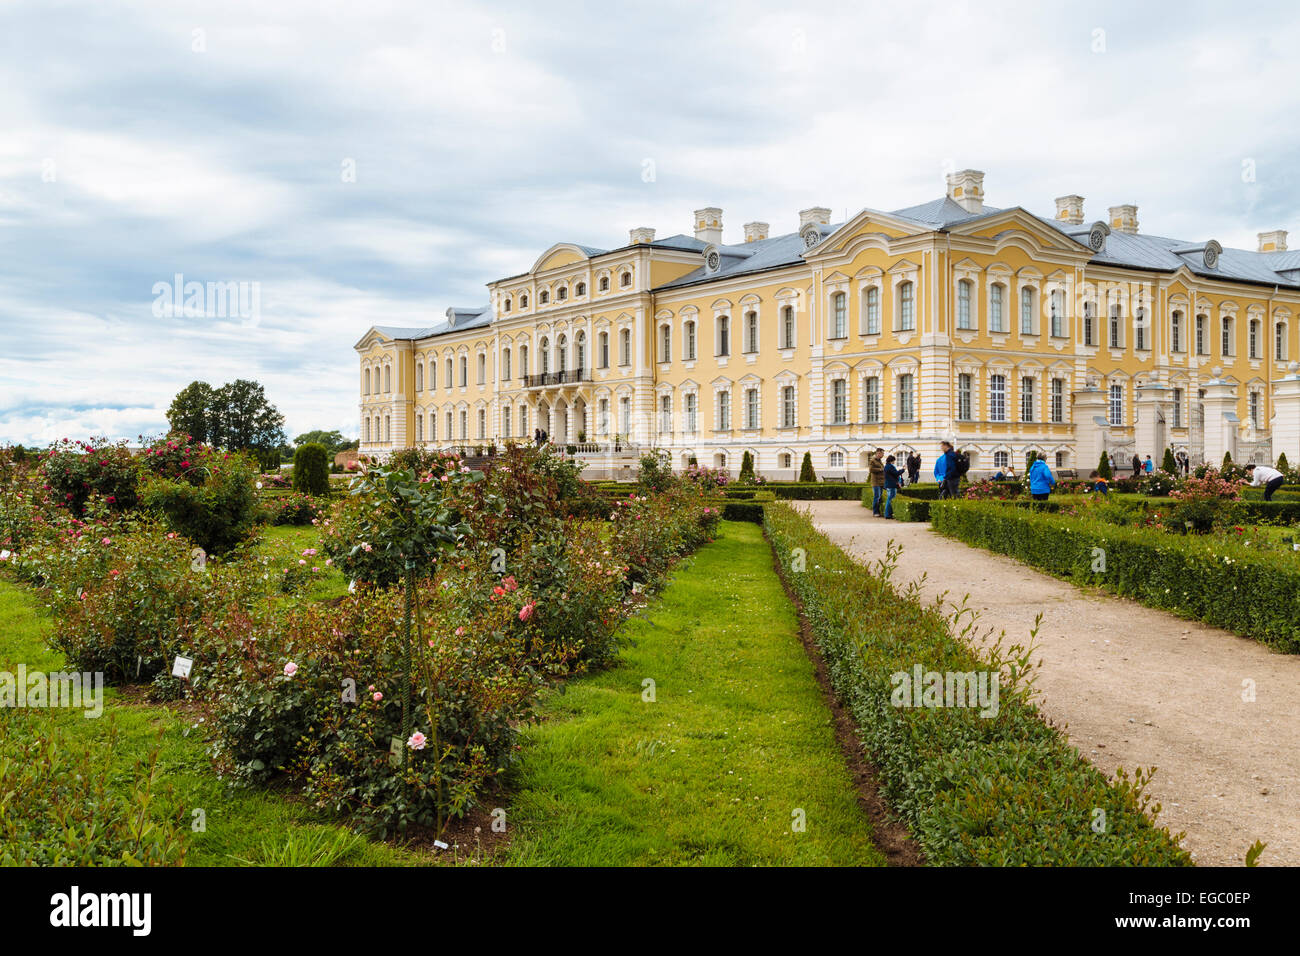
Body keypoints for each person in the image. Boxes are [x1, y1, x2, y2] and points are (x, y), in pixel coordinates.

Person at [867, 447, 886, 516]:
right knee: (877, 497)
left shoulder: (879, 460)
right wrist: (881, 469)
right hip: (876, 482)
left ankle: (879, 511)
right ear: (878, 453)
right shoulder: (873, 460)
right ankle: (875, 512)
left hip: (881, 482)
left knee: (879, 497)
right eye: (882, 453)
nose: (883, 455)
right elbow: (871, 470)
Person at [883, 454, 902, 518]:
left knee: (889, 499)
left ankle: (887, 514)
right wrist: (903, 469)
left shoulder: (886, 466)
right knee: (890, 500)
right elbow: (896, 473)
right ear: (891, 460)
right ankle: (888, 515)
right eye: (894, 460)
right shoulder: (891, 466)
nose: (894, 462)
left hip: (888, 485)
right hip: (892, 485)